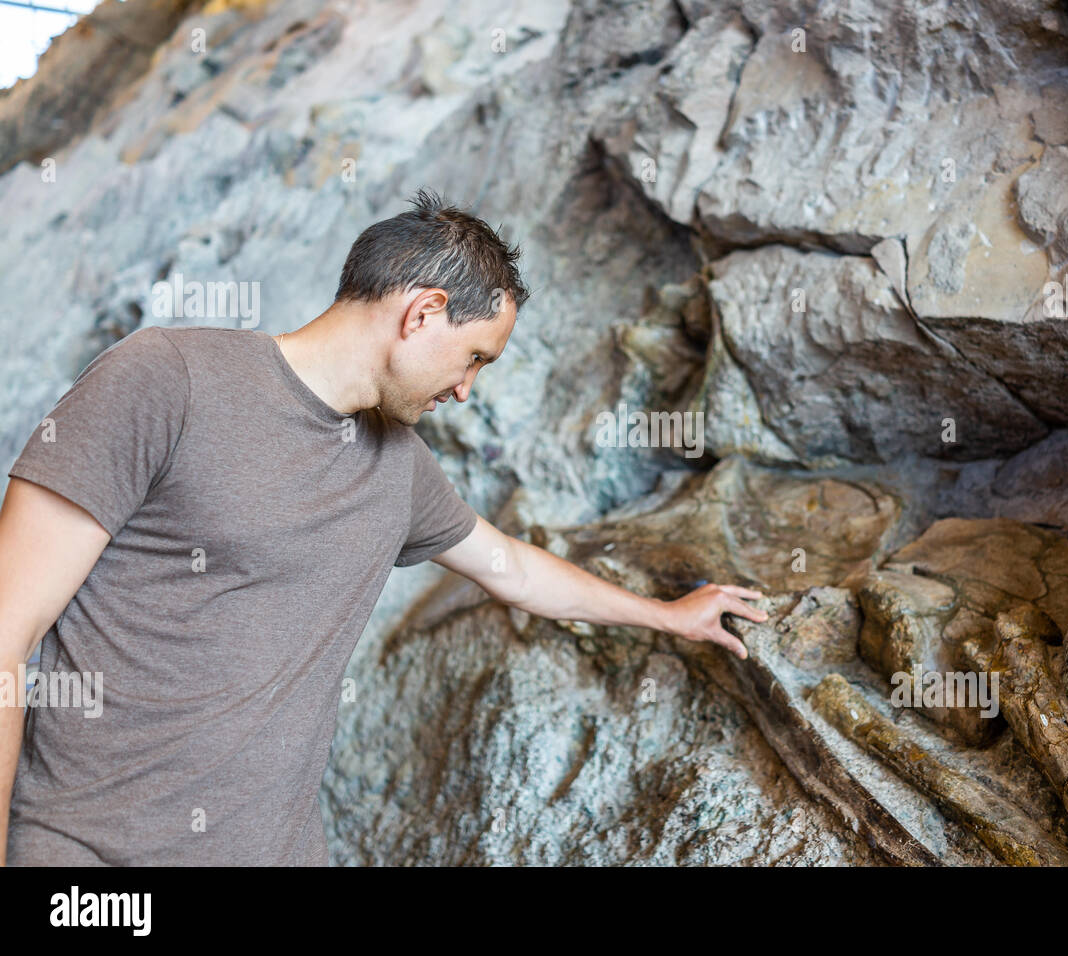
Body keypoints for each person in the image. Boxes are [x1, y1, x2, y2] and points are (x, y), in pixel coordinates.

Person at [0, 188, 765, 866]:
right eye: (474, 357)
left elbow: (511, 569)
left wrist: (667, 616)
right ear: (423, 312)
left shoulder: (398, 468)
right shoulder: (167, 379)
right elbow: (7, 631)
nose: (466, 389)